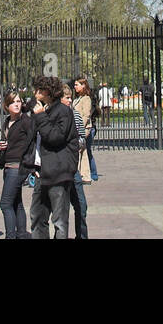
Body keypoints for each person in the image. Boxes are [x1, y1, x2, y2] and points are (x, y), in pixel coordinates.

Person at [29, 75, 79, 239]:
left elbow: (55, 137)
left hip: (58, 172)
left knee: (59, 221)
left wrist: (40, 116)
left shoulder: (63, 112)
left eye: (39, 90)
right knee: (37, 215)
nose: (35, 93)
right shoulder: (43, 110)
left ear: (48, 92)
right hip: (42, 172)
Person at [0, 90, 36, 239]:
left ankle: (11, 236)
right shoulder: (7, 122)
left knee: (5, 204)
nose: (16, 104)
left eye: (19, 101)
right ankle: (21, 234)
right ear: (6, 105)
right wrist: (2, 146)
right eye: (13, 102)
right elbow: (9, 142)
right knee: (16, 202)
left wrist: (30, 164)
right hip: (8, 165)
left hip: (17, 167)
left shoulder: (25, 121)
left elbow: (32, 142)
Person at [61, 83, 89, 239]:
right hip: (58, 170)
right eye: (67, 98)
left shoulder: (75, 115)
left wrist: (72, 144)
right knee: (60, 210)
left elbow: (82, 139)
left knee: (81, 206)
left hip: (73, 168)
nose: (70, 101)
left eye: (71, 97)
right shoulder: (53, 116)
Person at [72, 77, 96, 183]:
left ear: (83, 85)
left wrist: (79, 127)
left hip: (83, 128)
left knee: (78, 148)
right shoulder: (77, 98)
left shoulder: (86, 99)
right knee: (83, 150)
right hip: (78, 126)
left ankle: (79, 174)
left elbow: (86, 115)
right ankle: (85, 175)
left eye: (77, 85)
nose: (75, 87)